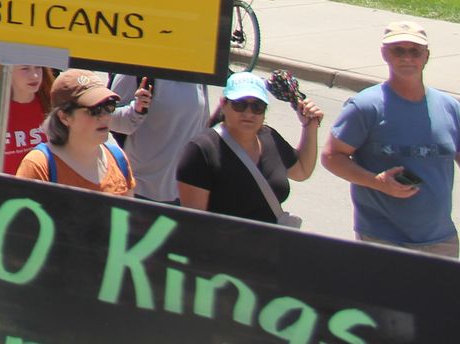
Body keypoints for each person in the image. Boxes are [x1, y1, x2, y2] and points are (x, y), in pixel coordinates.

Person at [323, 21, 460, 255]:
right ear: (385, 54)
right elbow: (332, 156)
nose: (407, 57)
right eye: (398, 50)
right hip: (382, 239)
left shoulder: (449, 107)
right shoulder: (366, 106)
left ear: (426, 56)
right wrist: (377, 182)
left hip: (441, 240)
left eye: (414, 51)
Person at [178, 71, 324, 223]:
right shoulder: (201, 150)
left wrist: (309, 126)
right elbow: (194, 224)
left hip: (269, 244)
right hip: (223, 245)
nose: (249, 113)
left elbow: (302, 170)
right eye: (239, 104)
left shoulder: (270, 137)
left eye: (257, 106)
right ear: (224, 104)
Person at [15, 69, 134, 195]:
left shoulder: (119, 158)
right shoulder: (39, 166)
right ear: (64, 117)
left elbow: (131, 213)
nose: (104, 116)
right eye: (94, 109)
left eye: (109, 106)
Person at [108, 73, 205, 204]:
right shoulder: (136, 68)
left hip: (180, 197)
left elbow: (202, 126)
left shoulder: (200, 70)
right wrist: (135, 110)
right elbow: (106, 118)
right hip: (136, 194)